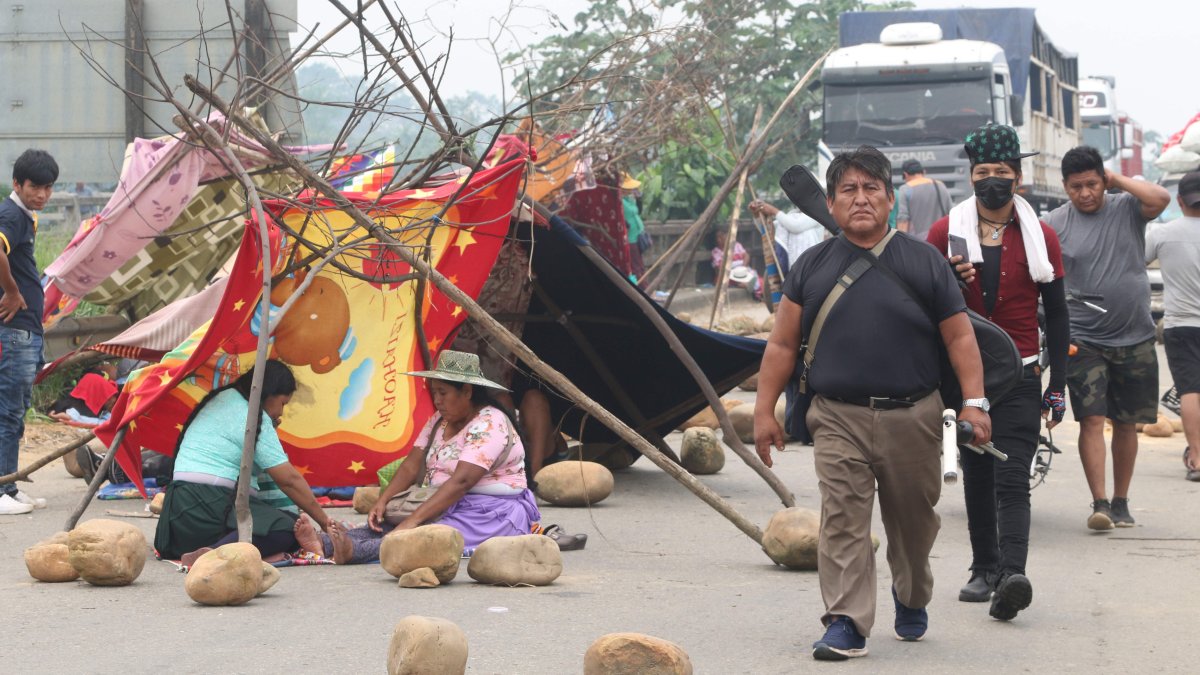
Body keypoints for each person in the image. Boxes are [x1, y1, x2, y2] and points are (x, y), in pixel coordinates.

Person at [753, 146, 991, 661]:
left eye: (871, 189)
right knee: (842, 519)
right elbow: (782, 344)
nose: (860, 199)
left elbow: (959, 339)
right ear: (833, 204)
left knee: (913, 522)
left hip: (916, 414)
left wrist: (975, 402)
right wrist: (763, 410)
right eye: (847, 190)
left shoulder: (924, 261)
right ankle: (846, 620)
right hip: (837, 415)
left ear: (890, 199)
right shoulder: (811, 266)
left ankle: (911, 594)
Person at [926, 123, 1070, 621]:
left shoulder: (1040, 235)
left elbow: (1057, 310)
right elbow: (920, 302)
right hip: (964, 379)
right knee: (978, 472)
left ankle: (1012, 575)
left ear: (1018, 178)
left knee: (1012, 474)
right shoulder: (945, 233)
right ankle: (983, 567)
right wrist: (946, 277)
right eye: (982, 172)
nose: (992, 180)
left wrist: (1059, 386)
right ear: (970, 177)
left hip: (1022, 376)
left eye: (1001, 173)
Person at [303, 350, 555, 564]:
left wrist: (411, 521)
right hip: (444, 500)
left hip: (488, 514)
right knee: (387, 526)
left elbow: (462, 483)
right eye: (434, 393)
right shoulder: (440, 420)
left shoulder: (490, 423)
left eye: (443, 393)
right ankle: (324, 542)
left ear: (466, 391)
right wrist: (384, 500)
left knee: (418, 536)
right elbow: (412, 464)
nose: (437, 401)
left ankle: (352, 551)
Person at [1046, 146, 1170, 530]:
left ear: (1104, 180)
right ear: (1064, 187)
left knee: (1127, 422)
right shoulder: (1053, 223)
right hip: (1083, 339)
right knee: (1091, 420)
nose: (1085, 193)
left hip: (1134, 335)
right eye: (1076, 186)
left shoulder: (1126, 208)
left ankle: (1121, 500)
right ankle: (1099, 502)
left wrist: (1117, 180)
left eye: (1092, 184)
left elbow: (1161, 198)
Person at [153, 360, 338, 566]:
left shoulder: (222, 398)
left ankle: (212, 550)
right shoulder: (251, 413)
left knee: (270, 521)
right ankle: (214, 554)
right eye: (283, 403)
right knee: (286, 528)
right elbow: (289, 480)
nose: (281, 412)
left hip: (178, 522)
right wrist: (325, 521)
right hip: (210, 508)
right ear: (269, 393)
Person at [1, 149, 57, 516]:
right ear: (17, 184)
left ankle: (10, 484)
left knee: (16, 410)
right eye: (34, 186)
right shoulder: (11, 215)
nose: (41, 194)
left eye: (48, 187)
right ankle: (1, 491)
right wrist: (12, 291)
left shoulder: (25, 216)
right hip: (15, 331)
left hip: (26, 330)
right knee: (8, 411)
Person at [1145, 170, 1200, 482]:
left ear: (1180, 201)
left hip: (1182, 325)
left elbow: (1136, 261)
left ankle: (1197, 456)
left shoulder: (1162, 233)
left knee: (1191, 389)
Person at [748, 199, 826, 275]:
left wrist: (773, 211)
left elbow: (795, 226)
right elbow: (768, 231)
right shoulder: (791, 215)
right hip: (792, 271)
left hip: (812, 270)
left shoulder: (816, 214)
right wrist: (757, 215)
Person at [896, 159, 952, 239]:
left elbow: (903, 219)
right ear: (924, 172)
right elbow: (950, 213)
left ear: (905, 174)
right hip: (940, 239)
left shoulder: (905, 189)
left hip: (918, 242)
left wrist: (901, 241)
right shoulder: (940, 185)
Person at [710, 228, 762, 300]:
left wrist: (743, 267)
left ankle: (754, 288)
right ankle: (750, 287)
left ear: (727, 236)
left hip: (742, 268)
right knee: (737, 276)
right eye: (717, 237)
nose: (719, 239)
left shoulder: (737, 245)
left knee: (753, 274)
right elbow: (719, 268)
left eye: (721, 236)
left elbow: (746, 255)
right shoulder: (715, 251)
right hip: (729, 271)